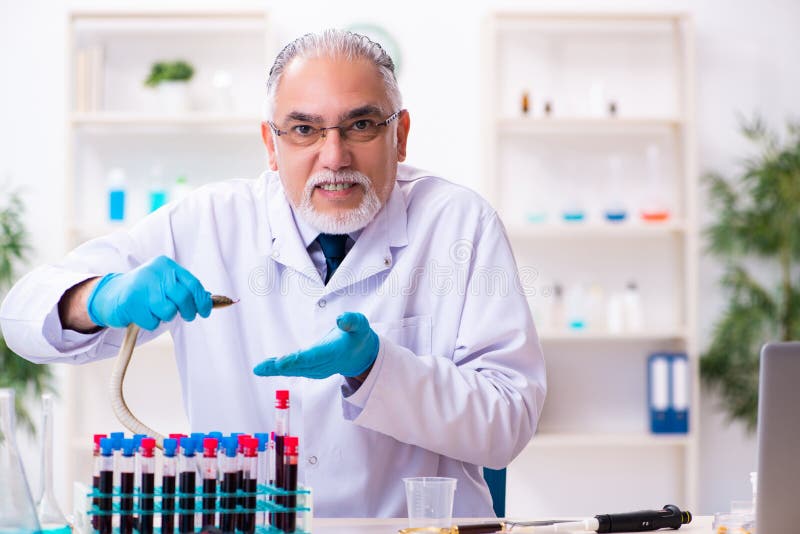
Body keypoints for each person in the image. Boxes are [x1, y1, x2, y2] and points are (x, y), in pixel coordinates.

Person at [0, 30, 546, 518]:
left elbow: (508, 423)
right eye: (304, 129)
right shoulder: (208, 223)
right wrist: (99, 298)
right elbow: (21, 319)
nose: (334, 156)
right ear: (270, 143)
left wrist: (377, 368)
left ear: (399, 135)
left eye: (360, 125)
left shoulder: (459, 224)